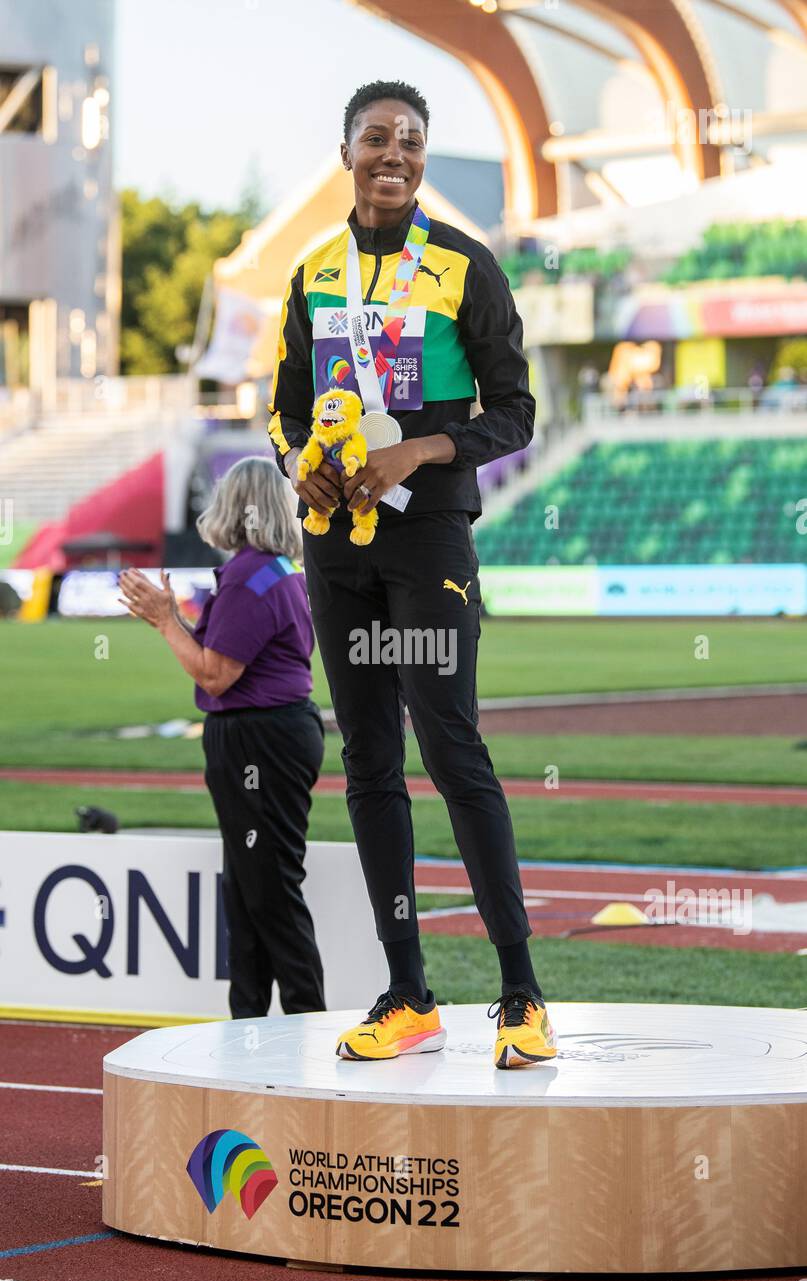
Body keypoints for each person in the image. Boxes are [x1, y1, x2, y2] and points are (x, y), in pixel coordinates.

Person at [266, 79, 557, 1070]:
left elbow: (516, 410)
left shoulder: (463, 266)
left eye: (413, 141)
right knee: (368, 764)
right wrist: (304, 459)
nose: (395, 153)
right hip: (334, 537)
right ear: (348, 151)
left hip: (426, 536)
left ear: (423, 158)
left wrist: (421, 451)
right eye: (378, 138)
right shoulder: (312, 273)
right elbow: (284, 408)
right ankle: (408, 993)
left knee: (451, 749)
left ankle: (521, 994)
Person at [118, 457, 326, 1019]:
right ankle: (251, 1023)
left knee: (267, 890)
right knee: (250, 885)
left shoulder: (249, 575)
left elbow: (214, 673)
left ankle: (303, 1019)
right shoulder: (278, 569)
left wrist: (165, 621)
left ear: (233, 506)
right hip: (280, 732)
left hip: (256, 740)